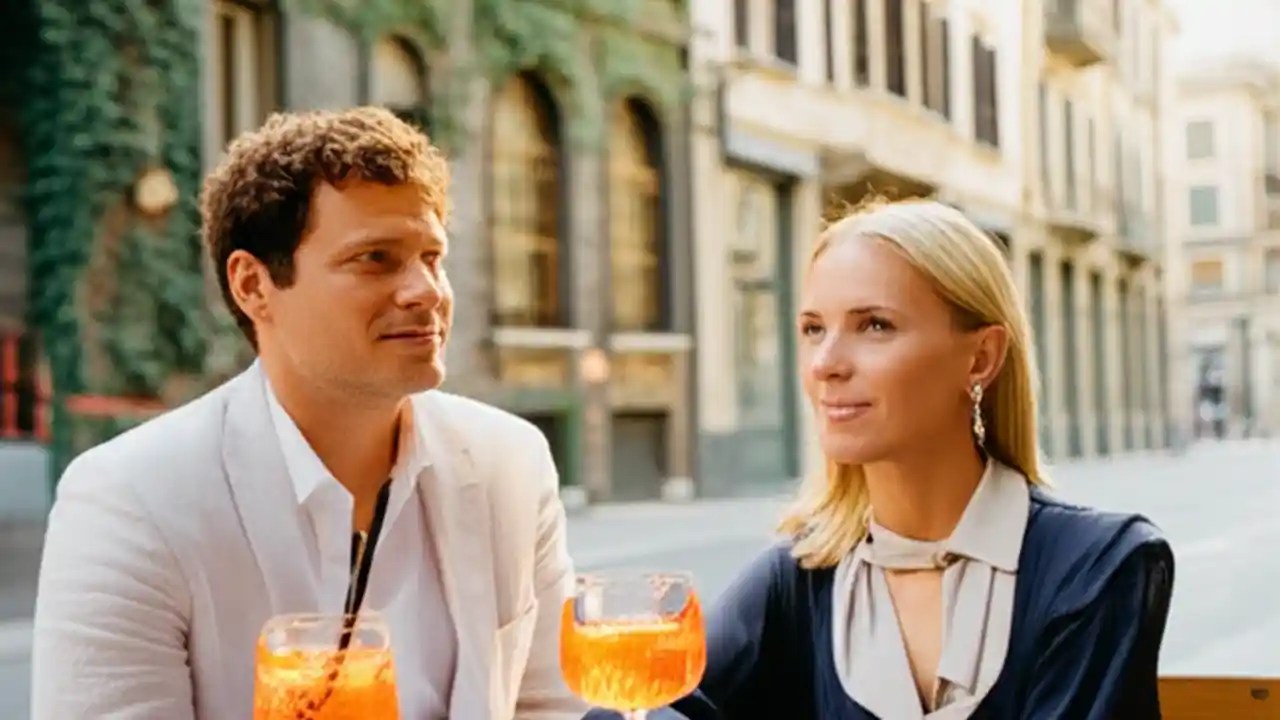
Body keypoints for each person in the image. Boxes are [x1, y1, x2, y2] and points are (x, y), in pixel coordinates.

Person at [31, 107, 588, 719]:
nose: (427, 291)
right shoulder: (131, 499)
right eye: (375, 257)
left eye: (432, 257)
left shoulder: (510, 461)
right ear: (253, 286)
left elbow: (550, 707)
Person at [593, 198, 1175, 719]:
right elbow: (634, 712)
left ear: (980, 358)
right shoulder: (797, 582)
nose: (825, 363)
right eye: (813, 329)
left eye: (874, 325)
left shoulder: (1098, 568)